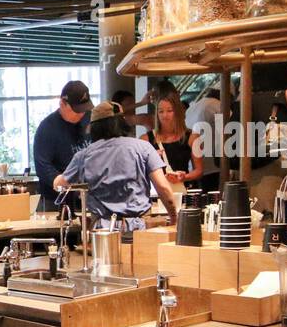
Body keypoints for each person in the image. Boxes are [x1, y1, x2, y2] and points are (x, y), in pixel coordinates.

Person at [54, 101, 178, 230]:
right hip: (140, 229)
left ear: (94, 128)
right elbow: (163, 187)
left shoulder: (84, 156)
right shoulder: (143, 147)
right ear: (122, 122)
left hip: (102, 232)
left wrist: (58, 175)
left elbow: (59, 185)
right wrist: (174, 217)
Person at [32, 80, 92, 211]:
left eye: (84, 109)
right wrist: (62, 181)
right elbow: (42, 166)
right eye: (77, 110)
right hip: (55, 200)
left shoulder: (91, 119)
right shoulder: (47, 128)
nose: (81, 114)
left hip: (89, 197)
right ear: (62, 104)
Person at [141, 90, 205, 186]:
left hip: (182, 189)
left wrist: (184, 177)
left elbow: (199, 170)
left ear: (178, 112)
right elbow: (138, 170)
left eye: (169, 111)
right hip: (155, 191)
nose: (165, 115)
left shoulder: (193, 137)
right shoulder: (145, 139)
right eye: (161, 111)